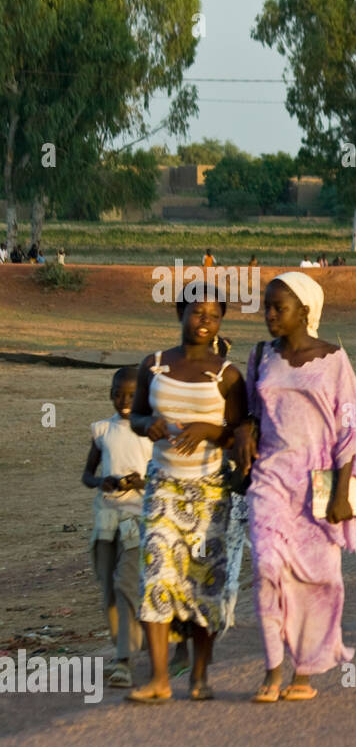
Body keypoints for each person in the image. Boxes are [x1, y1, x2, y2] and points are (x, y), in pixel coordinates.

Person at [234, 273, 356, 702]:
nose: (270, 314)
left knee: (319, 578)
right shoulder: (261, 355)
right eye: (267, 306)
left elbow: (350, 427)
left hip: (319, 482)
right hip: (270, 479)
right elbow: (251, 412)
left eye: (280, 307)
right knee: (267, 569)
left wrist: (341, 493)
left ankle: (305, 670)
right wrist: (244, 429)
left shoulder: (334, 360)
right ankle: (272, 667)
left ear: (305, 311)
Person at [127, 285, 246, 703]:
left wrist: (210, 431)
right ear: (180, 312)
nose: (204, 322)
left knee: (204, 584)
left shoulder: (227, 374)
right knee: (156, 576)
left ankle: (199, 676)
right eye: (197, 313)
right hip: (162, 486)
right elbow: (137, 416)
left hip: (211, 492)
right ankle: (159, 678)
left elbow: (240, 434)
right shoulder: (153, 365)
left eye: (213, 316)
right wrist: (148, 426)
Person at [82, 367, 152, 688]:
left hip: (137, 520)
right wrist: (102, 481)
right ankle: (128, 644)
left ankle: (124, 660)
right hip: (106, 520)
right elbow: (87, 476)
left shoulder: (151, 432)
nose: (124, 400)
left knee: (125, 584)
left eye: (131, 394)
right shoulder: (102, 431)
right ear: (109, 395)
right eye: (118, 394)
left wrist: (143, 483)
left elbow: (163, 480)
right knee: (108, 589)